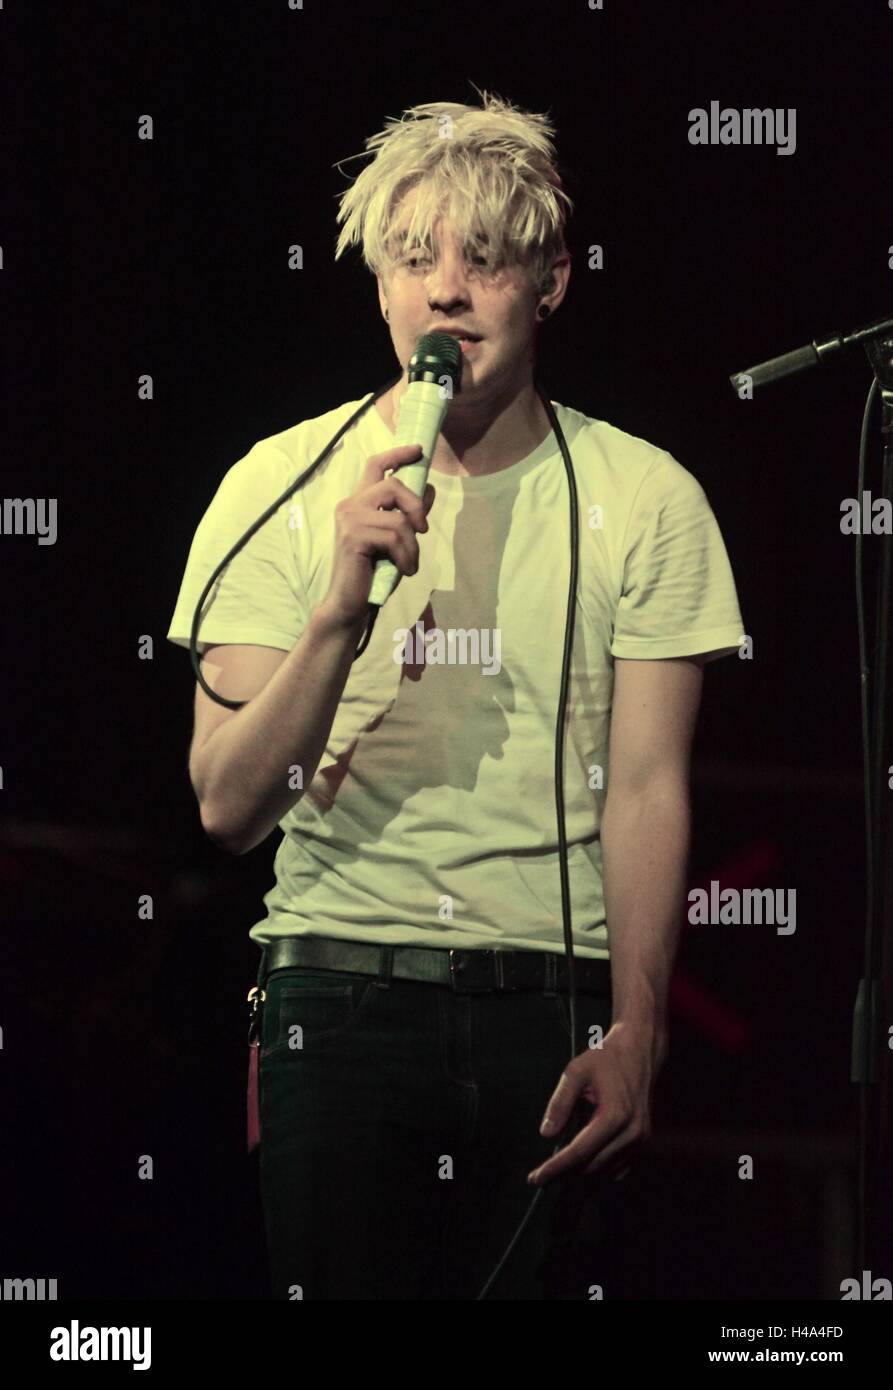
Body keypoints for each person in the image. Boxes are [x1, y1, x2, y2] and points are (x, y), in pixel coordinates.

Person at [166, 88, 745, 1300]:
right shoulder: (277, 484)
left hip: (549, 997)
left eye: (482, 260)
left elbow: (645, 789)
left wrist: (635, 1032)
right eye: (413, 259)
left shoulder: (643, 497)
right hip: (339, 993)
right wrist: (336, 609)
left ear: (549, 281)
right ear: (378, 286)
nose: (443, 291)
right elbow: (228, 806)